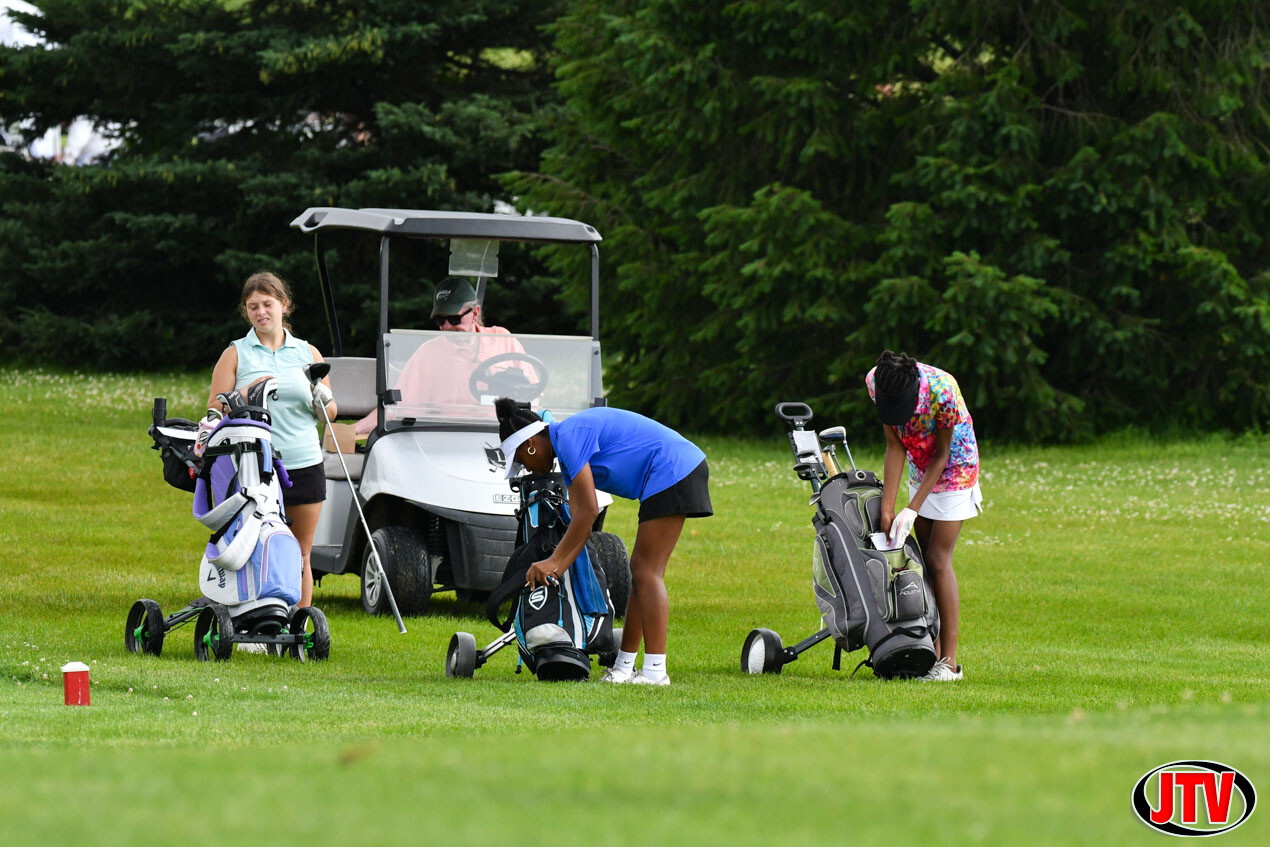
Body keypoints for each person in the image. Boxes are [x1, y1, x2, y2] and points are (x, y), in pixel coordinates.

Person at [495, 398, 712, 686]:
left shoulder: (569, 438)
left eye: (522, 460)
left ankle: (655, 672)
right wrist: (557, 567)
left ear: (531, 444)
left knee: (648, 572)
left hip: (673, 467)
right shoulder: (566, 449)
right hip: (670, 470)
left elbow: (589, 512)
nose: (528, 469)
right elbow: (579, 523)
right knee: (640, 571)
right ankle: (624, 667)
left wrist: (553, 562)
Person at [199, 271, 335, 614]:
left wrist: (321, 397)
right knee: (253, 545)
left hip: (304, 462)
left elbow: (330, 414)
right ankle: (256, 619)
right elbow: (214, 408)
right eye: (253, 306)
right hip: (253, 466)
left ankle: (298, 628)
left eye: (267, 304)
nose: (261, 312)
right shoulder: (236, 353)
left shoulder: (307, 352)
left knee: (300, 552)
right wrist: (248, 390)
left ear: (284, 305)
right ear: (246, 312)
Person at [866, 350, 982, 682]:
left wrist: (912, 507)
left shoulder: (942, 390)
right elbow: (894, 445)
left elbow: (942, 454)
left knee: (938, 560)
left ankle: (950, 665)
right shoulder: (875, 381)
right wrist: (889, 507)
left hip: (955, 469)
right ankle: (931, 654)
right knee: (924, 563)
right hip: (920, 469)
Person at [355, 277, 525, 433]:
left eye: (454, 319)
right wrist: (355, 429)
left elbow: (533, 395)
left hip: (500, 433)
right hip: (448, 436)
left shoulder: (503, 340)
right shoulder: (429, 353)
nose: (447, 327)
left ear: (475, 313)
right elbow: (396, 406)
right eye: (440, 321)